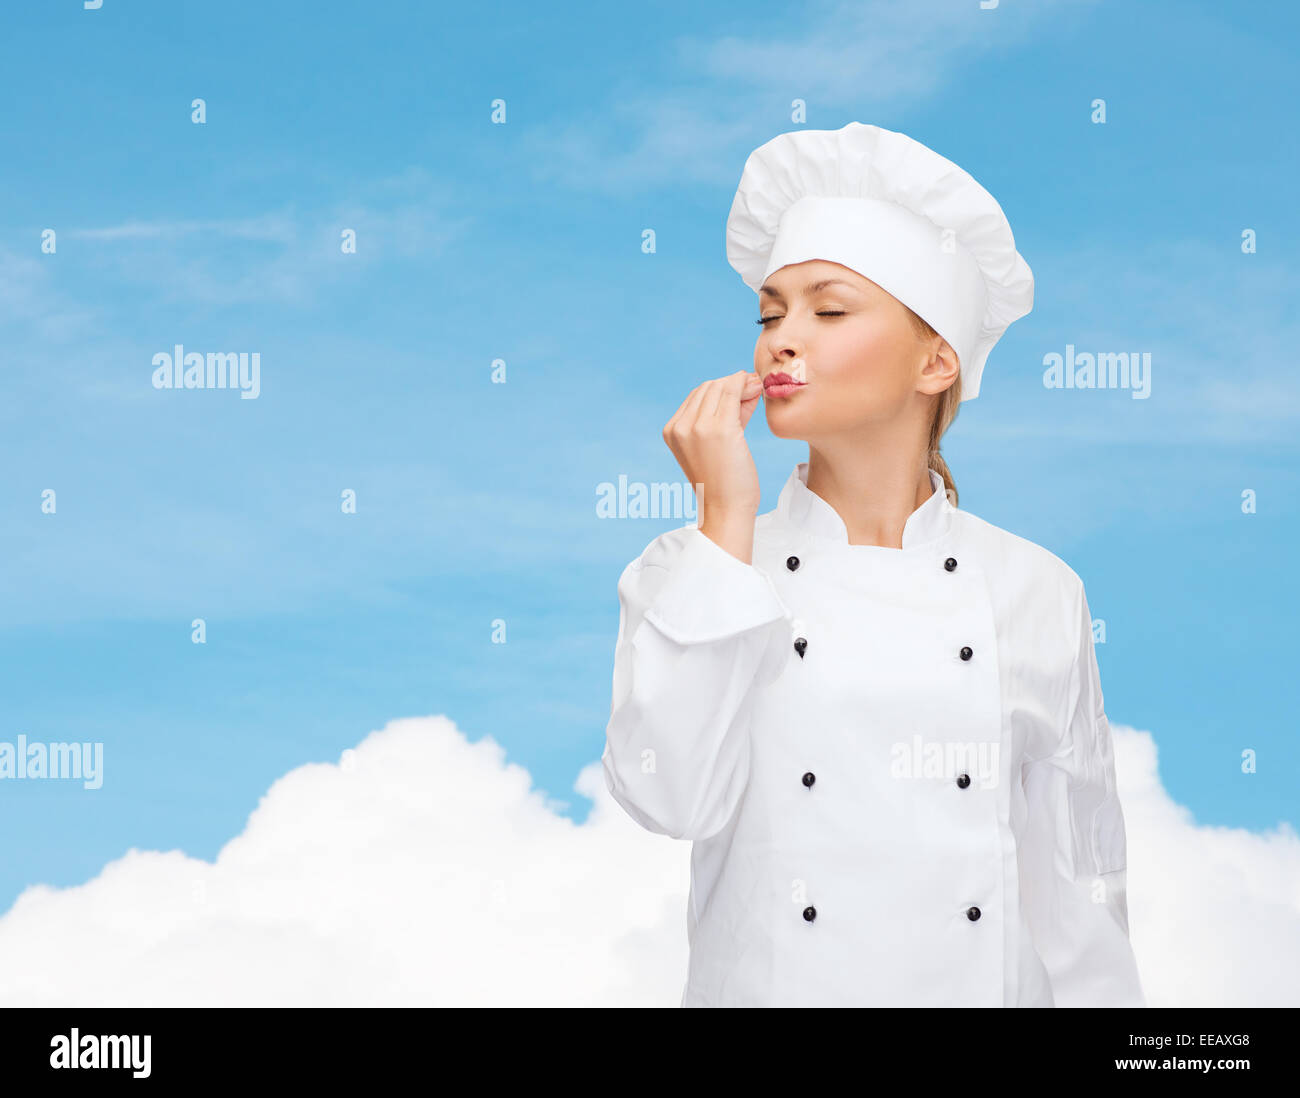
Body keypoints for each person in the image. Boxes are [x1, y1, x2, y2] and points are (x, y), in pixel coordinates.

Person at [600, 122, 1145, 1008]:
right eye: (771, 313)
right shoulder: (698, 566)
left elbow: (1082, 896)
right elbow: (672, 801)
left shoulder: (1039, 589)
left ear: (937, 362)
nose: (781, 338)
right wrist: (724, 519)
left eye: (830, 307)